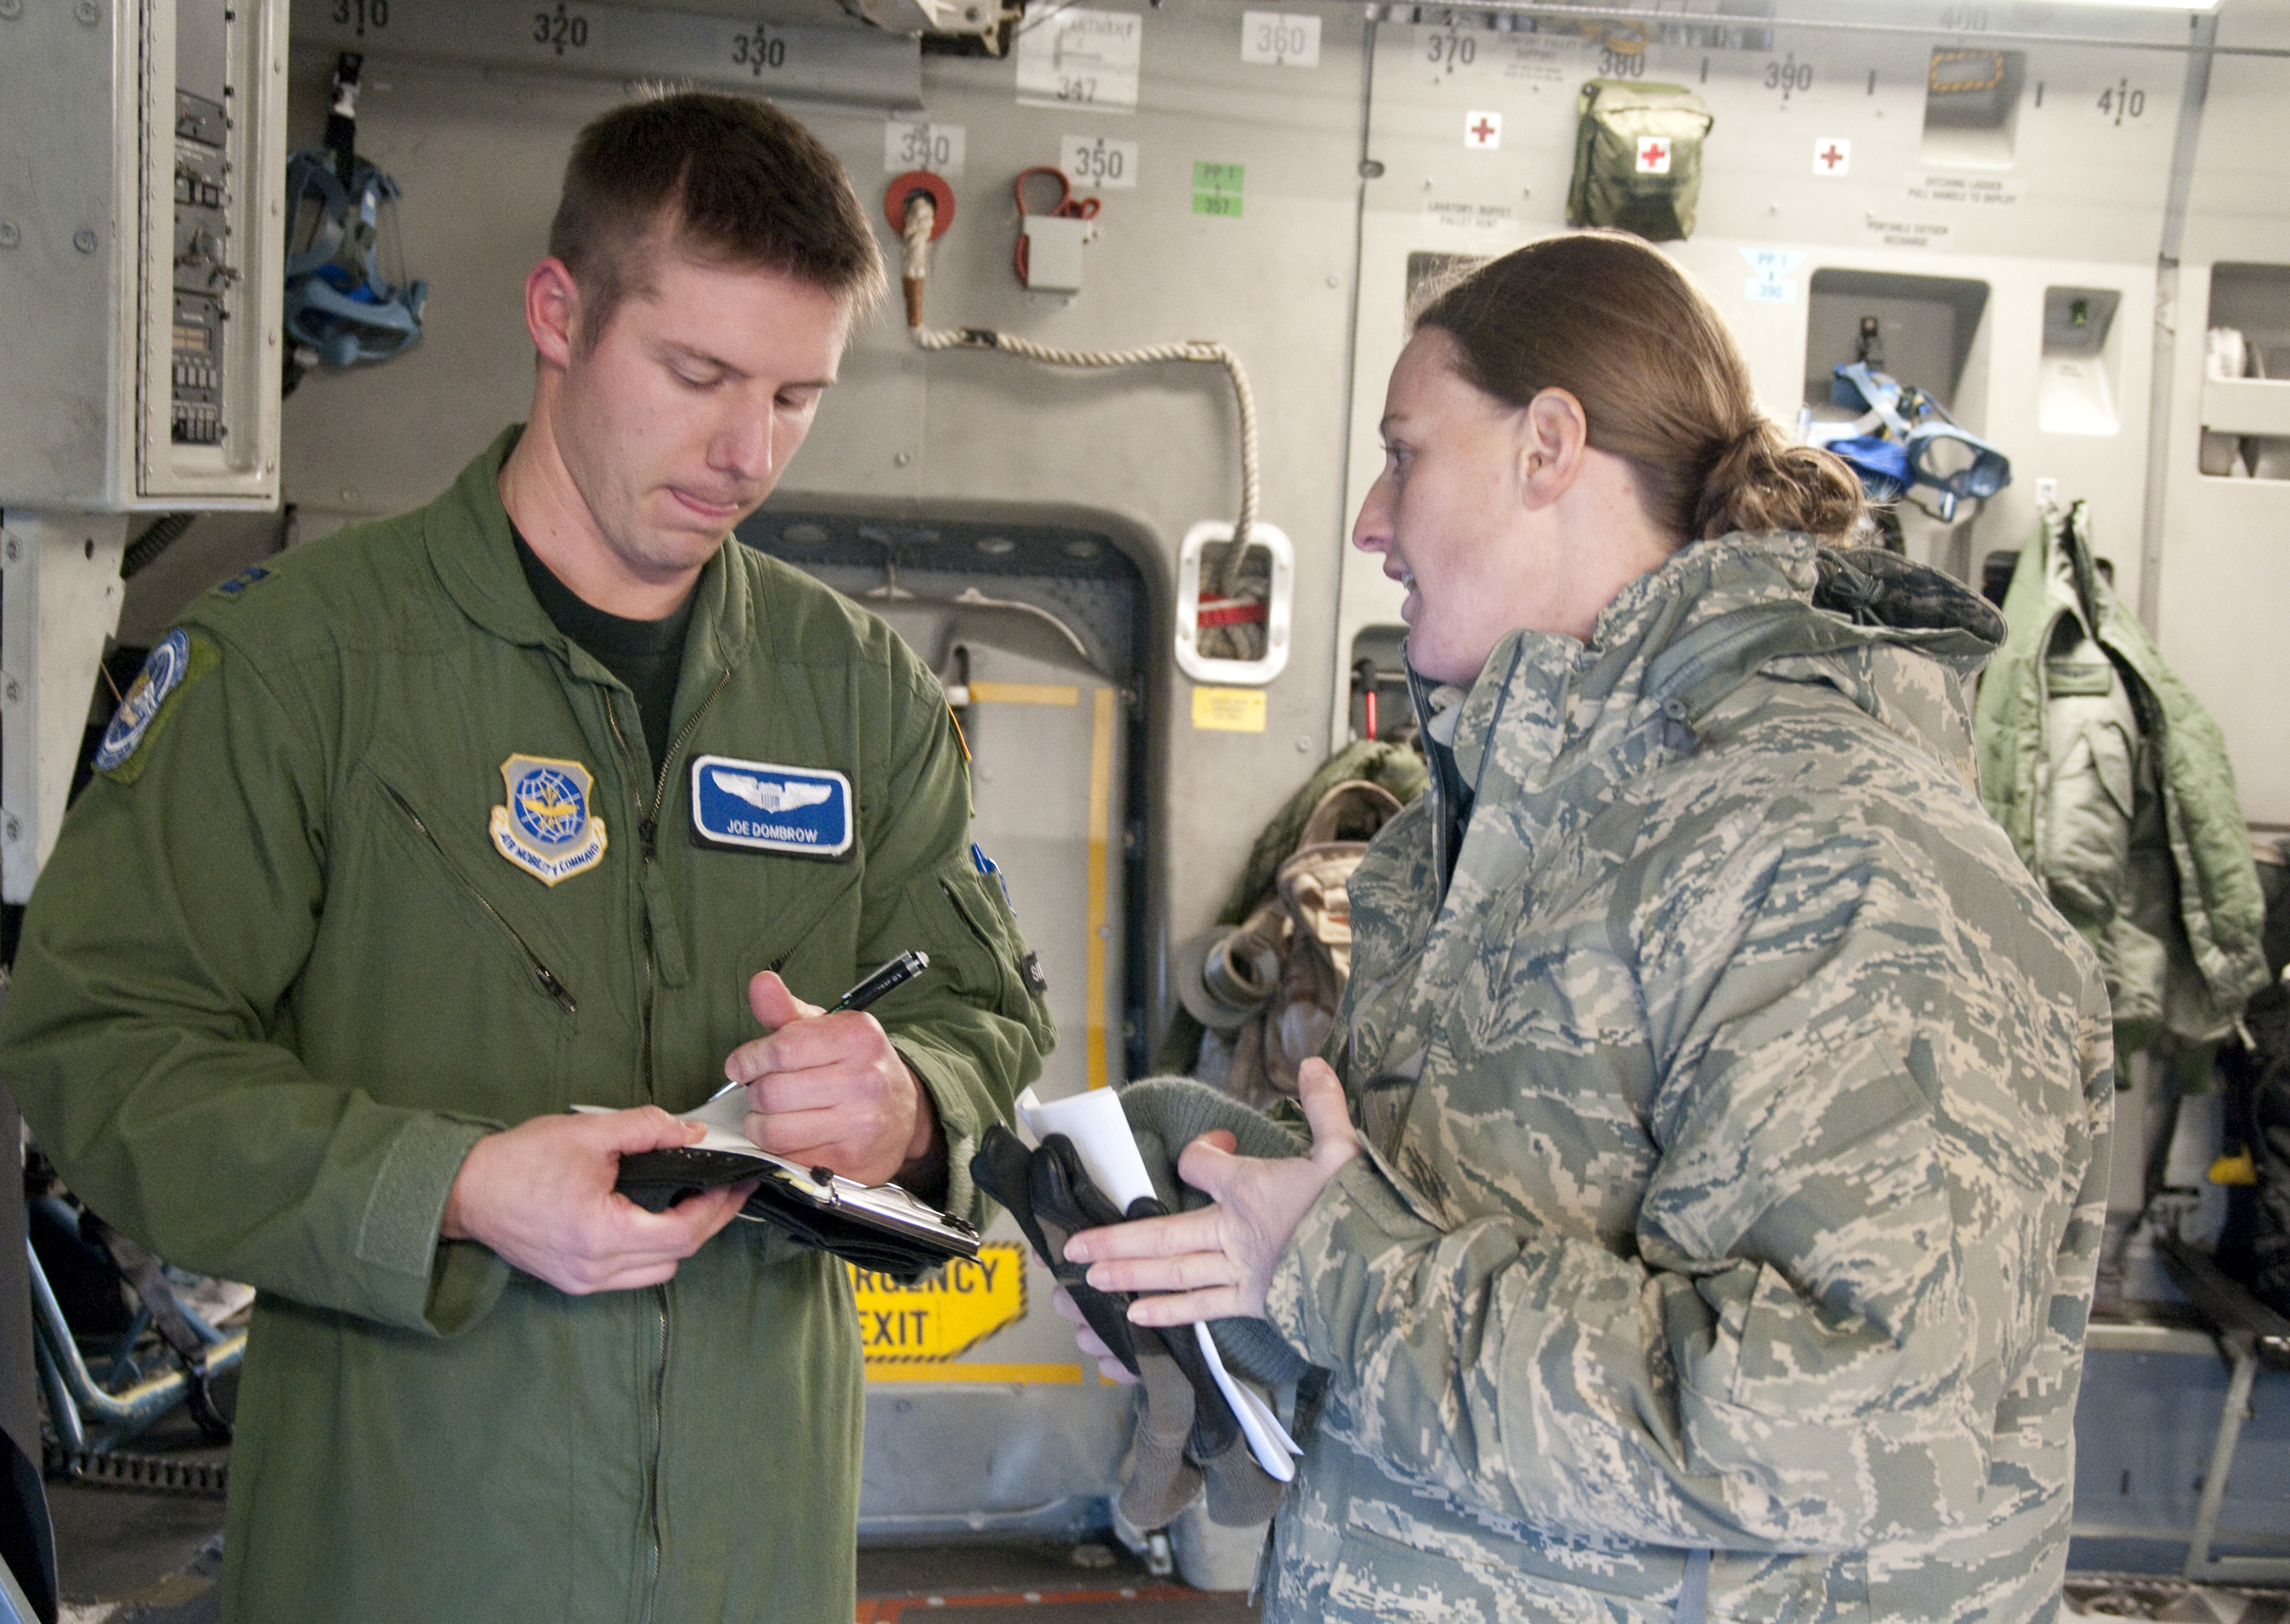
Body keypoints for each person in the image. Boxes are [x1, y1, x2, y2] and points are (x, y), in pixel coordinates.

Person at [0, 91, 1051, 1624]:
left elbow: (983, 1019)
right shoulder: (300, 668)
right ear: (558, 314)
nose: (746, 451)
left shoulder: (853, 694)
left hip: (752, 1567)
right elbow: (101, 1049)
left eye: (796, 395)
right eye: (697, 374)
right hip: (408, 1555)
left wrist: (908, 1103)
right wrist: (453, 1185)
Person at [1063, 233, 2112, 1623]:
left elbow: (1836, 1427)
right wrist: (1230, 1274)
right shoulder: (1485, 838)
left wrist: (1325, 1271)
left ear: (1549, 447)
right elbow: (1457, 1264)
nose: (1372, 521)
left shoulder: (1848, 855)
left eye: (1404, 456)